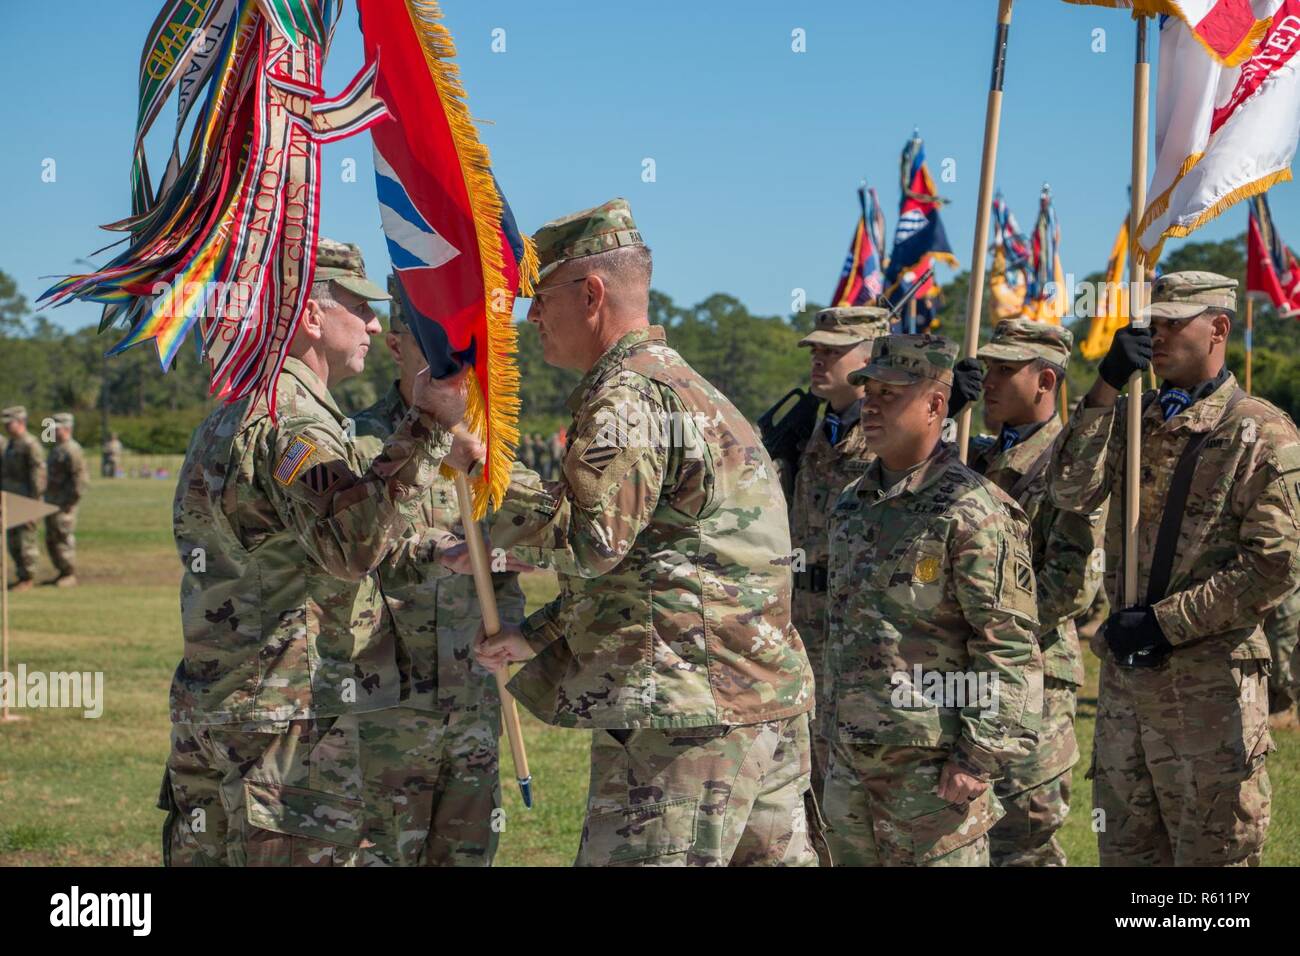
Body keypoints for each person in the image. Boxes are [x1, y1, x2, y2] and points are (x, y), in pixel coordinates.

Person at [473, 198, 822, 866]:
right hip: (753, 704)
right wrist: (538, 635)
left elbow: (592, 540)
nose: (532, 317)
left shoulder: (628, 394)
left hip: (685, 718)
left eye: (542, 298)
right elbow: (651, 556)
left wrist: (483, 463)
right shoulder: (687, 388)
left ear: (592, 293)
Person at [159, 238, 482, 867]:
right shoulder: (293, 420)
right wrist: (426, 423)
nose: (371, 324)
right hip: (284, 721)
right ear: (309, 314)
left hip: (221, 705)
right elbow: (349, 546)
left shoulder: (234, 407)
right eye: (358, 308)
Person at [1049, 271, 1300, 866]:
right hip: (1127, 689)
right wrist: (1105, 388)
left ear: (1218, 328)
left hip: (1208, 683)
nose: (1154, 334)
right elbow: (1067, 490)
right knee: (1129, 855)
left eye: (1171, 322)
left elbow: (1275, 565)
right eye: (1150, 322)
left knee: (1213, 862)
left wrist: (1164, 624)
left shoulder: (1261, 432)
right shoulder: (1132, 417)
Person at [821, 333, 1043, 867]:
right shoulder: (854, 502)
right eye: (868, 391)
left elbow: (1008, 645)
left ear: (936, 405)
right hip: (850, 760)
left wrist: (978, 756)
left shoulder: (974, 511)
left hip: (932, 772)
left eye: (890, 394)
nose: (870, 406)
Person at [351, 275, 527, 866]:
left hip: (474, 696)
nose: (453, 363)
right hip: (386, 704)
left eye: (461, 346)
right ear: (397, 345)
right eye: (433, 344)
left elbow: (508, 569)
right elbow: (348, 557)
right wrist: (439, 552)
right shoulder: (359, 444)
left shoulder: (491, 447)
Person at [970, 320, 1106, 866]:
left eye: (1005, 370)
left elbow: (1070, 585)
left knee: (1023, 836)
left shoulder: (1069, 463)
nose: (989, 381)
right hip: (963, 669)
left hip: (1033, 673)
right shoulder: (969, 455)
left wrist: (988, 626)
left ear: (1046, 380)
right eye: (986, 369)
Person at [787, 305, 890, 796]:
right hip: (803, 617)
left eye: (833, 352)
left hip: (859, 621)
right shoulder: (808, 426)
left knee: (856, 771)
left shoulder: (889, 434)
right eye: (816, 351)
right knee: (802, 766)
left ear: (871, 359)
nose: (819, 360)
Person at [2, 405, 46, 591]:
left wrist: (34, 503)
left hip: (26, 499)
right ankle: (20, 575)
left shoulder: (31, 445)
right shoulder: (10, 445)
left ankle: (28, 577)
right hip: (10, 500)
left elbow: (38, 475)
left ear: (20, 423)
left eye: (9, 424)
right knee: (13, 541)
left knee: (26, 541)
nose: (5, 427)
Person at [43, 412, 88, 587]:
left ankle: (69, 574)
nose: (52, 432)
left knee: (63, 537)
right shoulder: (56, 448)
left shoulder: (72, 449)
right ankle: (61, 571)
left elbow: (80, 479)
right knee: (52, 538)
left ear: (67, 428)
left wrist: (71, 502)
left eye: (56, 429)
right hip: (52, 501)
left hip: (64, 503)